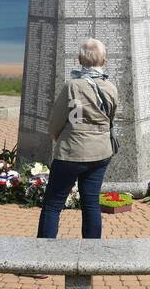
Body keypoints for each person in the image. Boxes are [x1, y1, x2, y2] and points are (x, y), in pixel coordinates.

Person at [37, 39, 116, 240]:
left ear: (80, 59)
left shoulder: (72, 86)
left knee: (53, 204)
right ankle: (91, 256)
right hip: (100, 152)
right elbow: (111, 119)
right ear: (104, 61)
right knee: (91, 203)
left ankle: (42, 259)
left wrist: (60, 139)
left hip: (71, 152)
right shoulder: (110, 88)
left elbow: (56, 121)